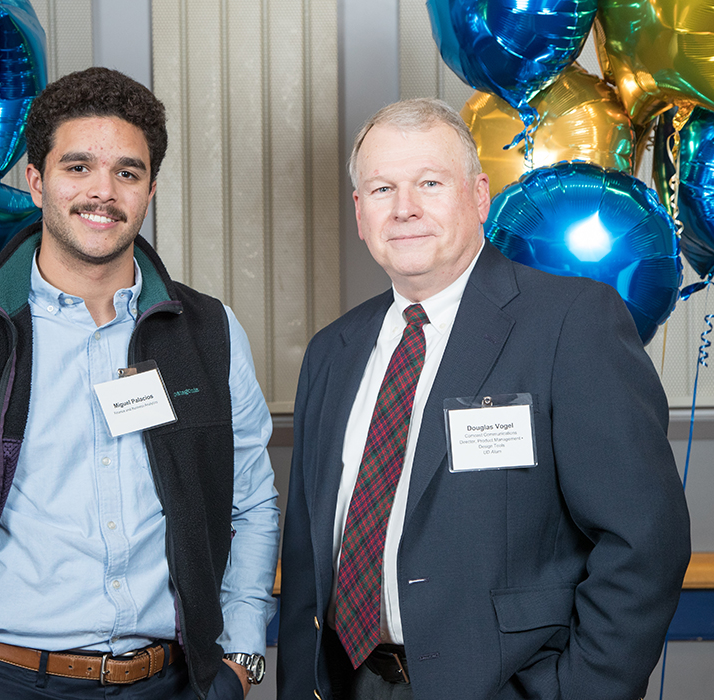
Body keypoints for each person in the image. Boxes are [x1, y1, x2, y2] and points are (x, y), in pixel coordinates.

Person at [0, 67, 279, 700]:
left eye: (127, 173)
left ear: (150, 190)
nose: (102, 191)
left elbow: (252, 504)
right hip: (5, 681)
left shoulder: (210, 332)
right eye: (78, 167)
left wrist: (242, 657)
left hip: (173, 681)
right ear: (36, 181)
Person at [277, 97, 691, 700]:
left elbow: (644, 539)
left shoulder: (572, 322)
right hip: (351, 683)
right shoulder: (332, 351)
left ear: (478, 197)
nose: (405, 208)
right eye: (383, 189)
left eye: (430, 183)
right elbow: (307, 557)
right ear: (361, 213)